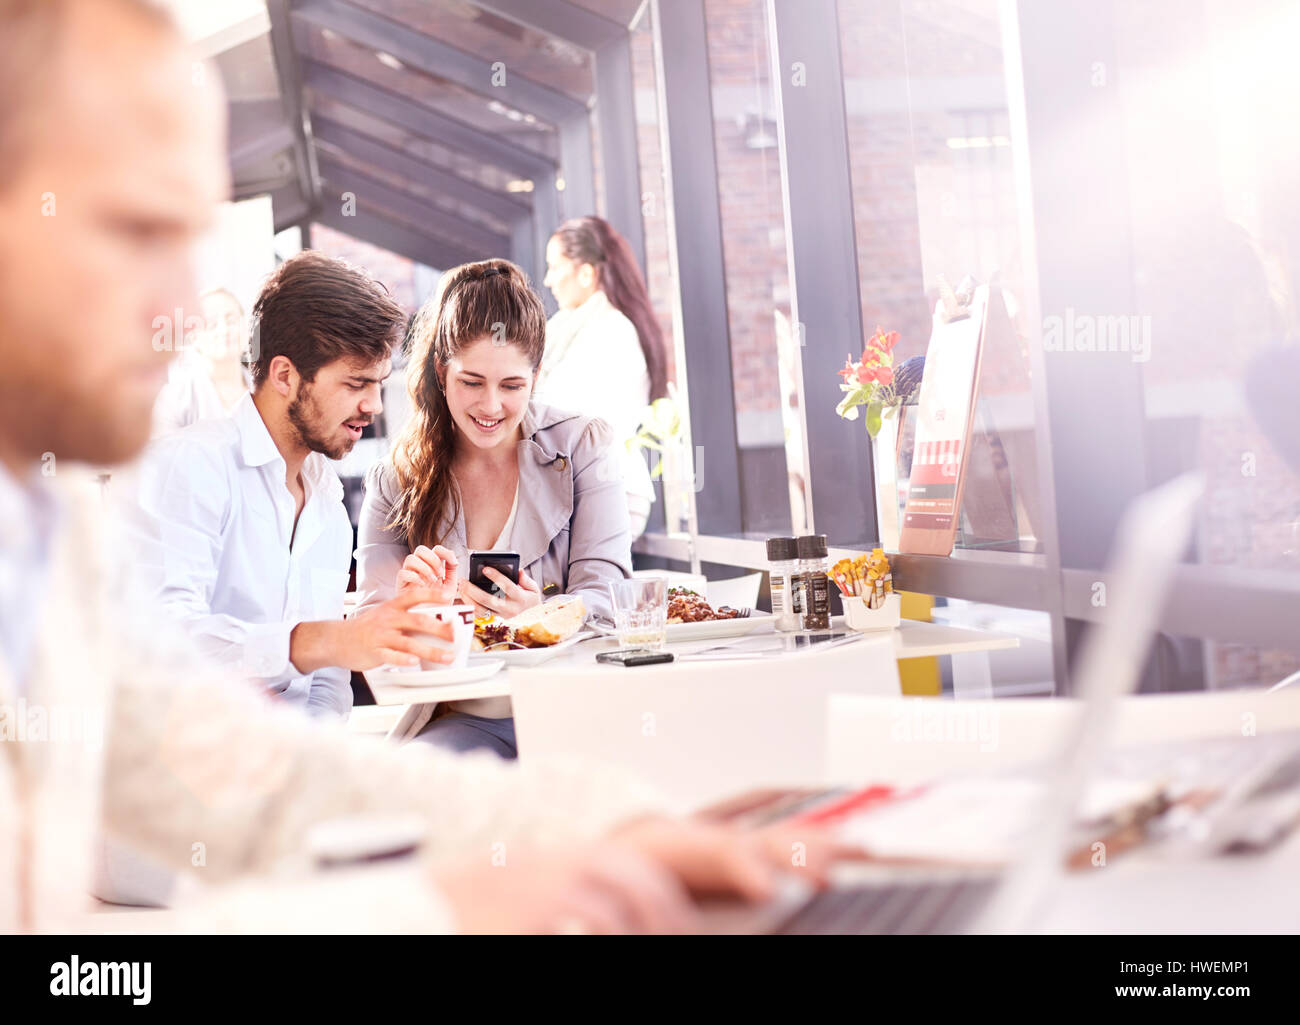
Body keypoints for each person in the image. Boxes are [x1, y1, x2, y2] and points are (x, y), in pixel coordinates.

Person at [0, 0, 835, 934]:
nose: (185, 309)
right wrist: (424, 898)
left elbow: (239, 768)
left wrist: (608, 823)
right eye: (134, 230)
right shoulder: (155, 485)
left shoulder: (44, 522)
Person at [121, 251, 451, 719]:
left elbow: (327, 685)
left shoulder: (328, 509)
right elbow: (163, 639)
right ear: (284, 375)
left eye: (378, 383)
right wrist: (323, 640)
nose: (374, 405)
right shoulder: (190, 467)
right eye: (356, 383)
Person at [356, 259, 630, 758]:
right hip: (463, 722)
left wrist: (547, 616)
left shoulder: (584, 446)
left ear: (535, 376)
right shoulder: (396, 476)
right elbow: (370, 629)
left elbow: (609, 592)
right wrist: (410, 607)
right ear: (442, 372)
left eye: (511, 386)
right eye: (472, 382)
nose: (490, 406)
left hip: (577, 711)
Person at [537, 216, 669, 538]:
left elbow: (575, 415)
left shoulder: (611, 331)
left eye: (555, 267)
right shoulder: (567, 328)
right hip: (583, 486)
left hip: (608, 489)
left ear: (585, 273)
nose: (547, 280)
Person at [152, 287, 252, 436]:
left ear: (245, 327)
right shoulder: (173, 400)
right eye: (211, 324)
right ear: (194, 337)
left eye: (231, 321)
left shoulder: (266, 392)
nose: (224, 330)